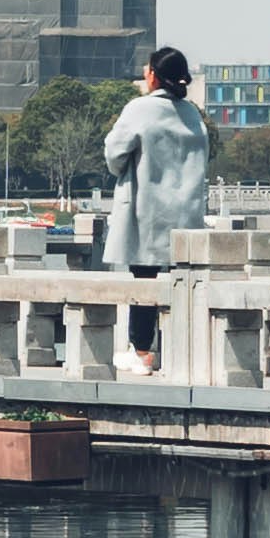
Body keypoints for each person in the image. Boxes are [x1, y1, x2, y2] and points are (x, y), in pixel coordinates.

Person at [93, 38, 211, 362]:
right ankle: (180, 352)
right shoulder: (193, 116)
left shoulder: (140, 109)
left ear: (154, 76)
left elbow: (114, 155)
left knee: (143, 282)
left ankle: (142, 351)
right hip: (186, 215)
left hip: (148, 212)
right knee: (181, 284)